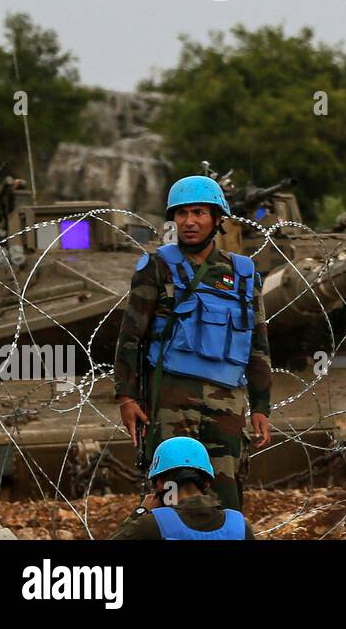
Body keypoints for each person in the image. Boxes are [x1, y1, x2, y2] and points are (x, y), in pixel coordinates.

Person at [113, 174, 273, 512]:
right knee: (171, 493)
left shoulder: (243, 273)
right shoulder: (156, 268)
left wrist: (261, 407)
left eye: (199, 212)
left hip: (228, 403)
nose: (189, 222)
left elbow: (257, 344)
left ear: (217, 219)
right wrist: (126, 397)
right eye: (182, 213)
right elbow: (130, 336)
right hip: (172, 399)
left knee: (227, 494)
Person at [110, 436, 252, 539]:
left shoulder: (152, 525)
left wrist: (141, 511)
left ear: (159, 483)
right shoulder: (239, 526)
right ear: (207, 482)